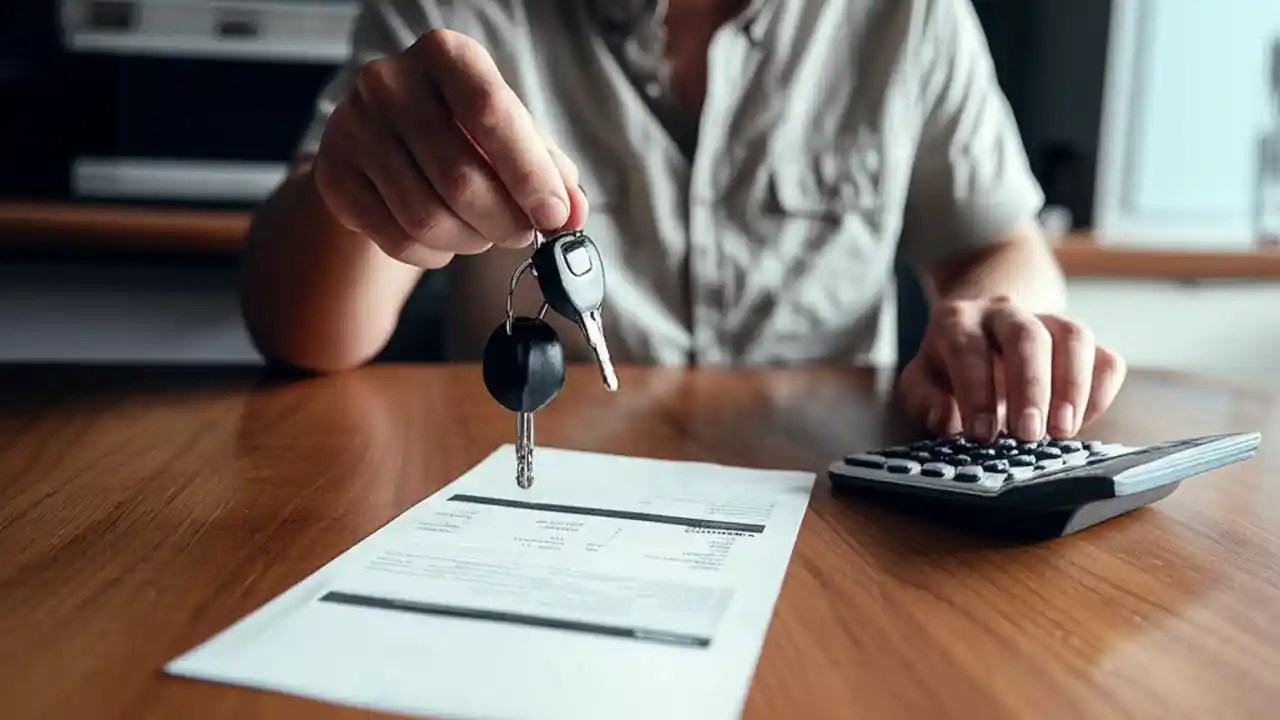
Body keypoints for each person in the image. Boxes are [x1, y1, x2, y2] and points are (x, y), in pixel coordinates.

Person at [239, 0, 1126, 443]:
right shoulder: (458, 12)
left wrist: (990, 315)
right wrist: (353, 188)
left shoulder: (914, 14)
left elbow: (999, 242)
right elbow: (302, 333)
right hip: (536, 515)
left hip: (832, 511)